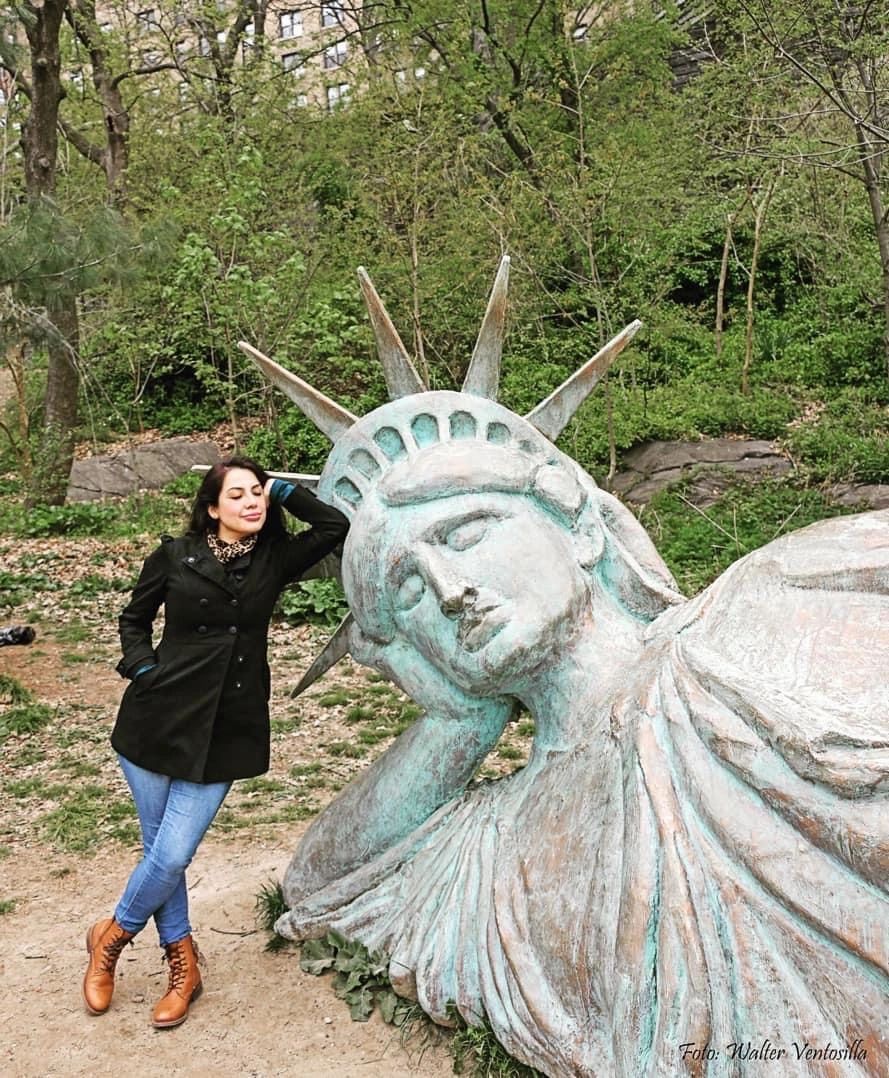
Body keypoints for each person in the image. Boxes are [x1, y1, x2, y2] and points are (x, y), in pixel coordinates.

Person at [271, 392, 888, 1077]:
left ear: (579, 528)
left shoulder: (766, 609)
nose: (450, 591)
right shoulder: (487, 845)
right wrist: (456, 717)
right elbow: (321, 881)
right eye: (409, 592)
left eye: (467, 534)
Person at [83, 456, 348, 1028]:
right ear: (212, 509)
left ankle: (111, 938)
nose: (253, 502)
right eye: (239, 495)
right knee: (163, 853)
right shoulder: (174, 557)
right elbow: (134, 620)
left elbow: (332, 528)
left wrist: (286, 490)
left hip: (229, 723)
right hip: (157, 718)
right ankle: (184, 964)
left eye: (258, 493)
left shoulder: (275, 559)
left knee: (172, 853)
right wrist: (143, 669)